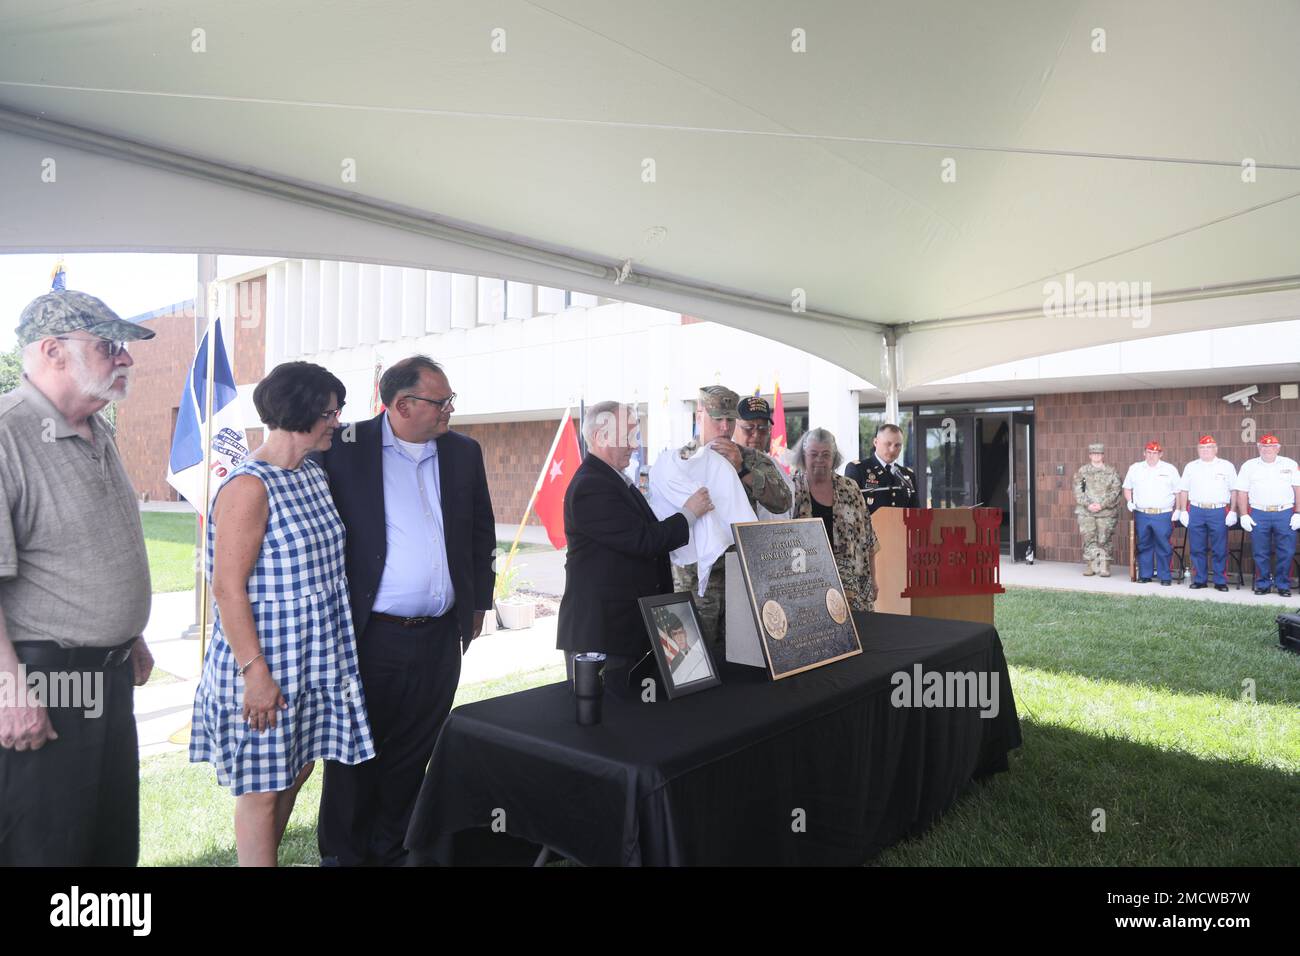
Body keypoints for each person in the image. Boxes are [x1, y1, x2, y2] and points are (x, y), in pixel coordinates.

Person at [190, 361, 375, 867]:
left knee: (297, 770)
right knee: (262, 792)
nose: (338, 420)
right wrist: (256, 675)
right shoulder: (249, 487)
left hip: (313, 656)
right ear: (305, 413)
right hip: (264, 661)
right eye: (332, 411)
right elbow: (226, 589)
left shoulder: (312, 474)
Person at [316, 355, 496, 867]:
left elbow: (481, 531)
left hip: (441, 636)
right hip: (371, 635)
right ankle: (345, 858)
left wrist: (479, 602)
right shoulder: (346, 448)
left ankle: (392, 849)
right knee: (355, 753)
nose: (450, 411)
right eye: (441, 402)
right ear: (400, 404)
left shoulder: (463, 452)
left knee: (414, 753)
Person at [0, 290, 156, 865]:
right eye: (108, 345)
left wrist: (127, 634)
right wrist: (9, 690)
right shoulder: (6, 435)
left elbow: (86, 547)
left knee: (108, 841)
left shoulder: (99, 429)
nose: (126, 359)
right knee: (46, 848)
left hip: (108, 677)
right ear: (53, 352)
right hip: (43, 682)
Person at [556, 401, 712, 680]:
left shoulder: (612, 479)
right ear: (601, 437)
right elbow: (643, 541)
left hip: (626, 630)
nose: (634, 444)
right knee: (608, 716)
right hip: (603, 635)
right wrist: (689, 513)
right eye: (627, 435)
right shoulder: (591, 486)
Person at [671, 386, 791, 646]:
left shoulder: (751, 458)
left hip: (741, 576)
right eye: (717, 419)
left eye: (730, 420)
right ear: (700, 416)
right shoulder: (678, 460)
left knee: (740, 654)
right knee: (694, 655)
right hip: (695, 581)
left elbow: (782, 501)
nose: (724, 428)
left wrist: (742, 469)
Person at [790, 428, 877, 612]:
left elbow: (868, 538)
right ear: (803, 456)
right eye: (813, 454)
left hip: (852, 586)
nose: (820, 460)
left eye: (826, 454)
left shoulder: (850, 488)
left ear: (834, 457)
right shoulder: (792, 488)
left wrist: (874, 580)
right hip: (807, 583)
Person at [1235, 434, 1299, 597]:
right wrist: (1243, 515)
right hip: (1258, 512)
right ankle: (1263, 583)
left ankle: (1283, 584)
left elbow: (1298, 489)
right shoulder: (1249, 466)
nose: (1267, 449)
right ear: (1259, 448)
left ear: (1278, 448)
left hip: (1284, 512)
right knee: (1260, 551)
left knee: (1286, 551)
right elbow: (1242, 491)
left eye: (1271, 446)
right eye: (1264, 446)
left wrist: (1298, 513)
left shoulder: (1290, 464)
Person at [1176, 435, 1238, 592]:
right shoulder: (1191, 466)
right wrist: (1183, 510)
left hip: (1218, 510)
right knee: (1197, 547)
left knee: (1219, 548)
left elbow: (1234, 490)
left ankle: (1220, 581)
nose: (1205, 451)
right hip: (1196, 509)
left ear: (1216, 449)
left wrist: (1232, 511)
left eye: (1209, 447)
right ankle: (1200, 579)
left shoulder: (1226, 466)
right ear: (1198, 450)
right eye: (1202, 448)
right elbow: (1184, 490)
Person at [1122, 441, 1181, 585]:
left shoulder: (1169, 469)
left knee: (1163, 545)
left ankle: (1165, 576)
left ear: (1160, 454)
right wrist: (1129, 501)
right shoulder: (1135, 468)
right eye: (1149, 452)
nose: (1151, 455)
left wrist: (1178, 509)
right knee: (1144, 544)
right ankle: (1145, 574)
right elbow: (1127, 488)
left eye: (1155, 453)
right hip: (1142, 513)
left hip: (1163, 514)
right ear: (1144, 453)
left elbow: (1178, 491)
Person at [734, 395, 794, 518]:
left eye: (763, 429)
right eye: (749, 428)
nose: (756, 435)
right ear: (734, 427)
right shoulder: (725, 463)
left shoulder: (775, 465)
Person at [845, 423, 919, 514]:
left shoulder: (907, 475)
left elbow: (915, 511)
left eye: (897, 445)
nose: (892, 449)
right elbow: (850, 508)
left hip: (900, 527)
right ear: (875, 442)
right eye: (888, 444)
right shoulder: (858, 469)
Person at [1073, 442, 1122, 577]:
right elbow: (1078, 491)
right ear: (1090, 455)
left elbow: (1116, 491)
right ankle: (1091, 566)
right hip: (1086, 512)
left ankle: (1104, 566)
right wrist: (1089, 504)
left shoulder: (1111, 472)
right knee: (1089, 538)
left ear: (1103, 455)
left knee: (1104, 539)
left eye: (1099, 454)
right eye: (1094, 454)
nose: (1096, 456)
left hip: (1106, 512)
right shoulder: (1082, 471)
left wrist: (1102, 505)